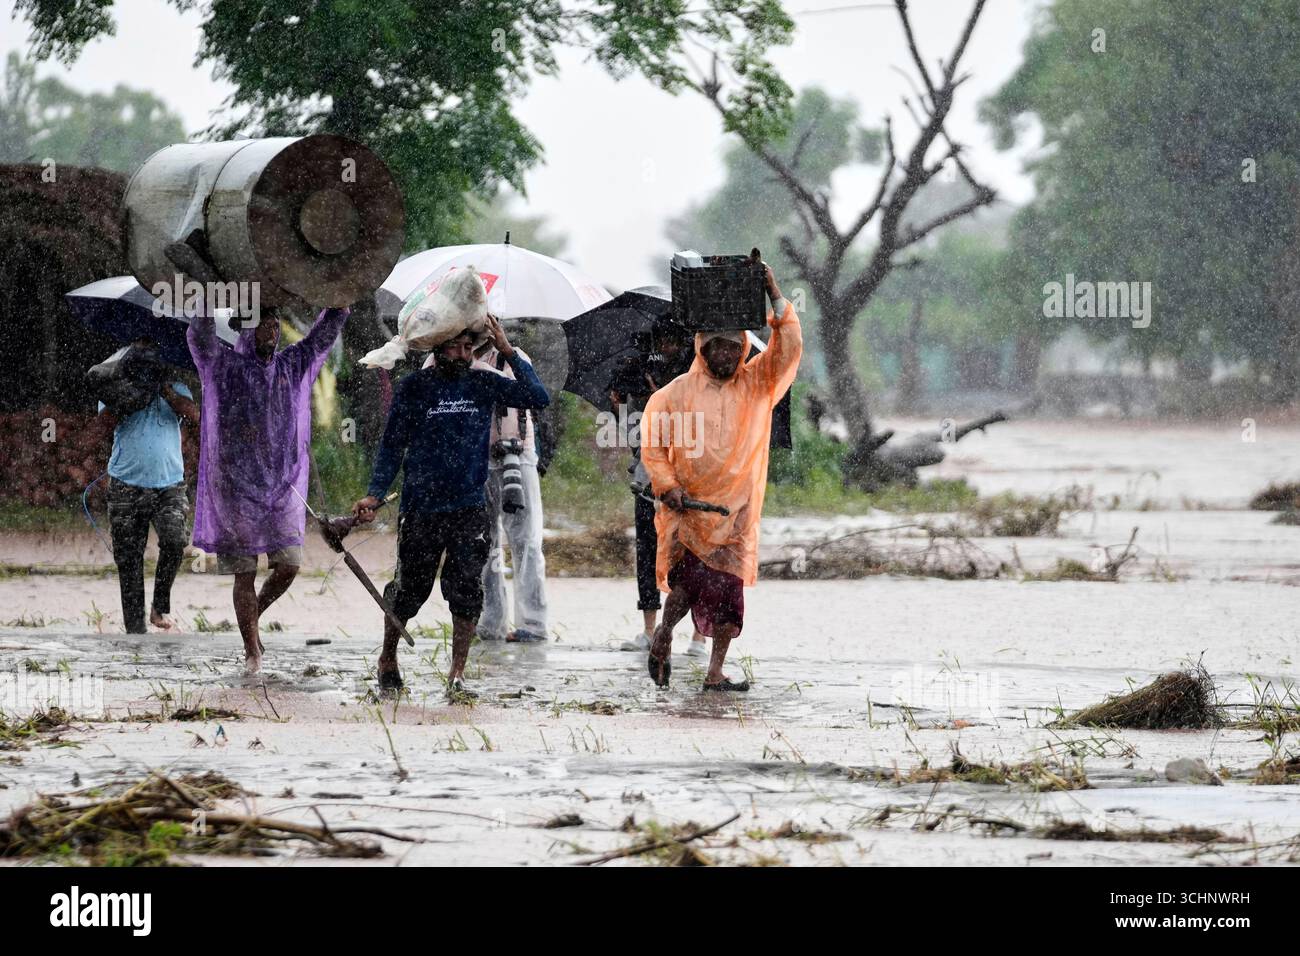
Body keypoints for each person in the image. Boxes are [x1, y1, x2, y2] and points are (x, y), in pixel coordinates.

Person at [353, 316, 549, 698]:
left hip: (469, 507)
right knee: (409, 589)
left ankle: (457, 674)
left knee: (466, 591)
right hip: (422, 507)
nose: (461, 354)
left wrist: (507, 351)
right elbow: (392, 446)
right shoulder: (414, 388)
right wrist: (375, 494)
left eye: (467, 347)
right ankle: (387, 658)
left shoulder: (482, 382)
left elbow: (537, 397)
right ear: (436, 348)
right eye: (453, 347)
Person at [641, 261, 801, 691]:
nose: (728, 355)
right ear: (703, 348)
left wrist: (773, 292)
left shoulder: (758, 384)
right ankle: (664, 632)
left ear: (743, 350)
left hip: (738, 513)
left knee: (731, 596)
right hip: (691, 512)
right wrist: (668, 486)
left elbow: (788, 347)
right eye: (719, 348)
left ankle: (715, 672)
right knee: (690, 586)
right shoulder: (672, 395)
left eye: (735, 347)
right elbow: (653, 446)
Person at [187, 304, 349, 675]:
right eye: (264, 325)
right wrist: (206, 301)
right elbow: (200, 339)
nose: (272, 331)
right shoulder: (224, 367)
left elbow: (321, 338)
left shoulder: (292, 366)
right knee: (244, 571)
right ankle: (252, 654)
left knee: (289, 565)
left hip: (282, 488)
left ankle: (252, 618)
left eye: (276, 324)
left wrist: (339, 303)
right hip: (236, 489)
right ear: (247, 329)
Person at [422, 332, 550, 643]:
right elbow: (427, 394)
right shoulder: (443, 356)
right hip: (472, 460)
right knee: (482, 544)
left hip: (516, 456)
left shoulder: (512, 355)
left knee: (527, 542)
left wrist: (486, 368)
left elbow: (531, 394)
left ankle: (533, 625)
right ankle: (490, 622)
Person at [608, 320, 708, 657]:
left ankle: (699, 634)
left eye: (672, 343)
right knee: (648, 550)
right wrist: (624, 405)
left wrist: (663, 400)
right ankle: (650, 629)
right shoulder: (640, 371)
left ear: (684, 345)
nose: (665, 349)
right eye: (660, 342)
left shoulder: (699, 374)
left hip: (692, 478)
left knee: (697, 554)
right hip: (649, 476)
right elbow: (631, 430)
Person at [94, 339, 200, 634]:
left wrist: (163, 389)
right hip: (125, 484)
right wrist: (131, 398)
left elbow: (194, 416)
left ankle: (159, 605)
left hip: (169, 486)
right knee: (128, 558)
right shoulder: (115, 385)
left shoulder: (175, 387)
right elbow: (102, 425)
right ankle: (134, 631)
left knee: (175, 540)